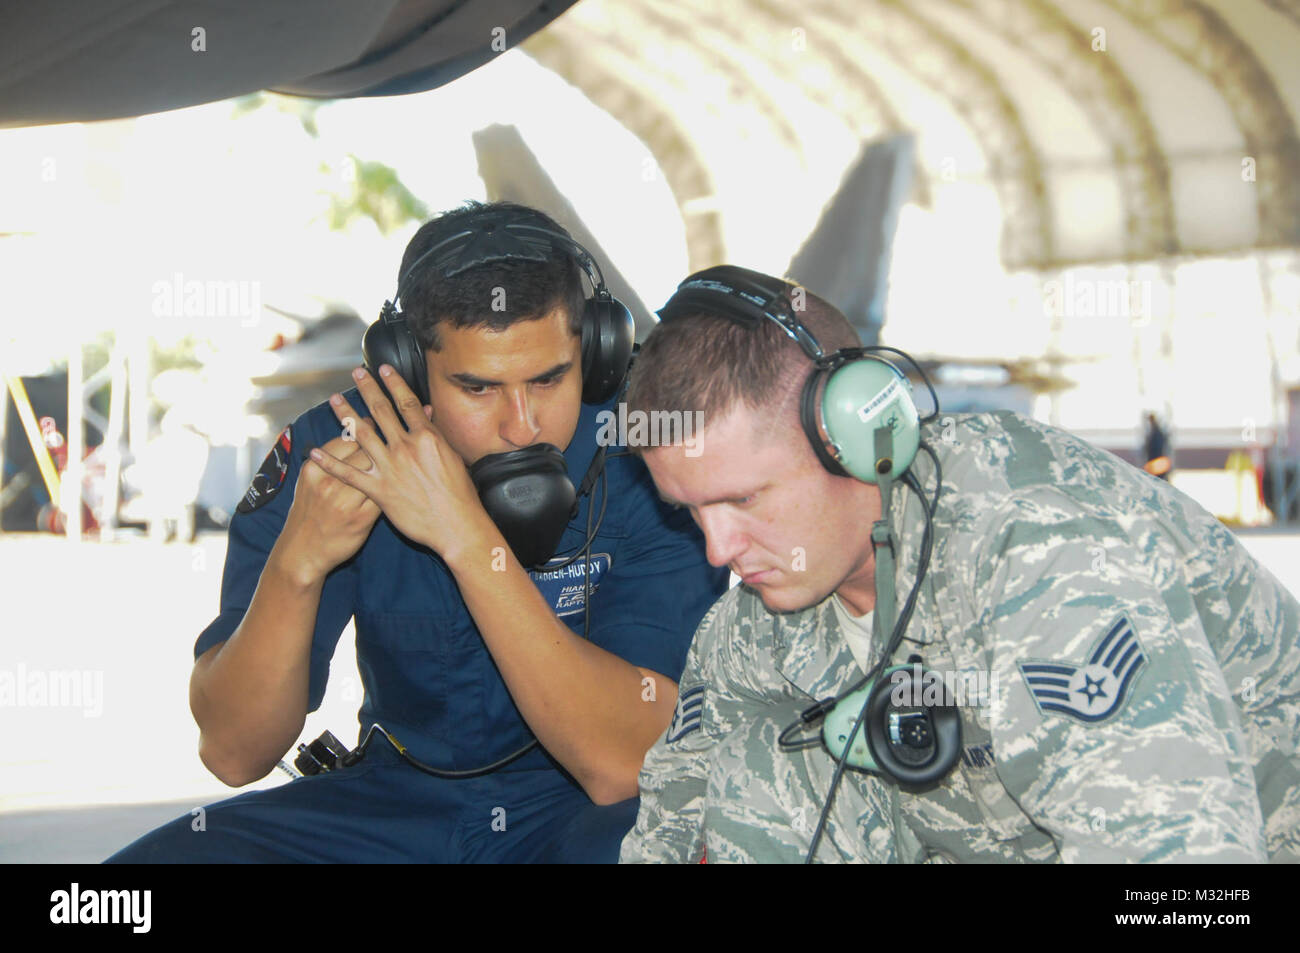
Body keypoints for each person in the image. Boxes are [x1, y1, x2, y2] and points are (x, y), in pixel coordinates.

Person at [107, 202, 728, 863]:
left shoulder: (641, 454)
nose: (522, 425)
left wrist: (466, 539)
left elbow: (626, 765)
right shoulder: (336, 450)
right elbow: (233, 751)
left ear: (598, 352)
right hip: (394, 804)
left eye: (549, 378)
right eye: (478, 387)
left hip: (578, 810)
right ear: (405, 369)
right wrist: (297, 565)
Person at [618, 265, 1300, 863]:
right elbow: (672, 814)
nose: (718, 549)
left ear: (857, 434)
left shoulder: (1038, 549)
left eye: (742, 498)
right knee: (764, 757)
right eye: (691, 510)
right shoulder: (754, 626)